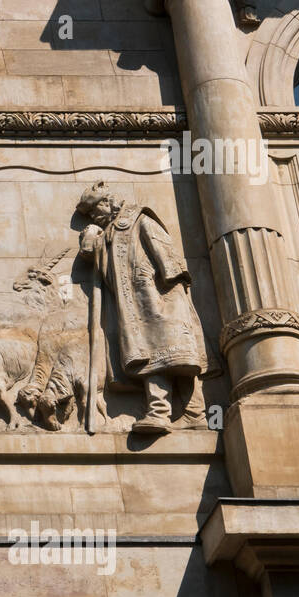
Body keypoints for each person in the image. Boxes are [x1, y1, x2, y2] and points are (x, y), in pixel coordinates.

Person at [75, 181, 218, 434]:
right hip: (138, 305)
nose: (95, 217)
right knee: (156, 353)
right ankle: (188, 413)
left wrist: (170, 282)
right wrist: (89, 236)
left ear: (107, 203)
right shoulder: (110, 232)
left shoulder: (137, 218)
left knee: (167, 354)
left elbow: (164, 250)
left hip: (156, 297)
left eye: (95, 211)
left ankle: (166, 413)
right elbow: (92, 252)